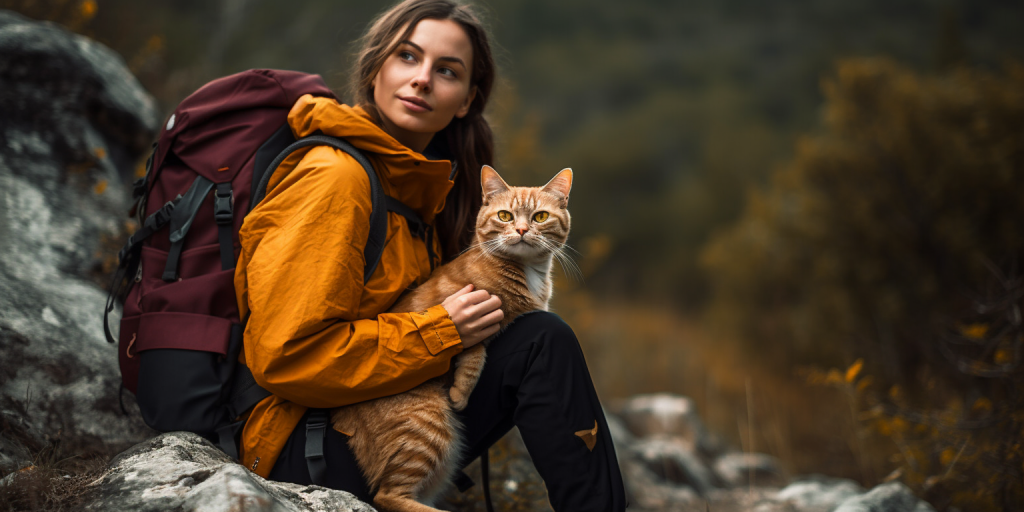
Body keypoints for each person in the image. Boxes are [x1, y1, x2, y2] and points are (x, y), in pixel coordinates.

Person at [232, 0, 627, 510]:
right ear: (375, 68)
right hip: (302, 443)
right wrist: (442, 331)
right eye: (407, 57)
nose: (422, 80)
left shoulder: (420, 190)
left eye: (446, 71)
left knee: (538, 339)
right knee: (542, 342)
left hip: (372, 417)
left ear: (466, 100)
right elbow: (286, 358)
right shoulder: (337, 178)